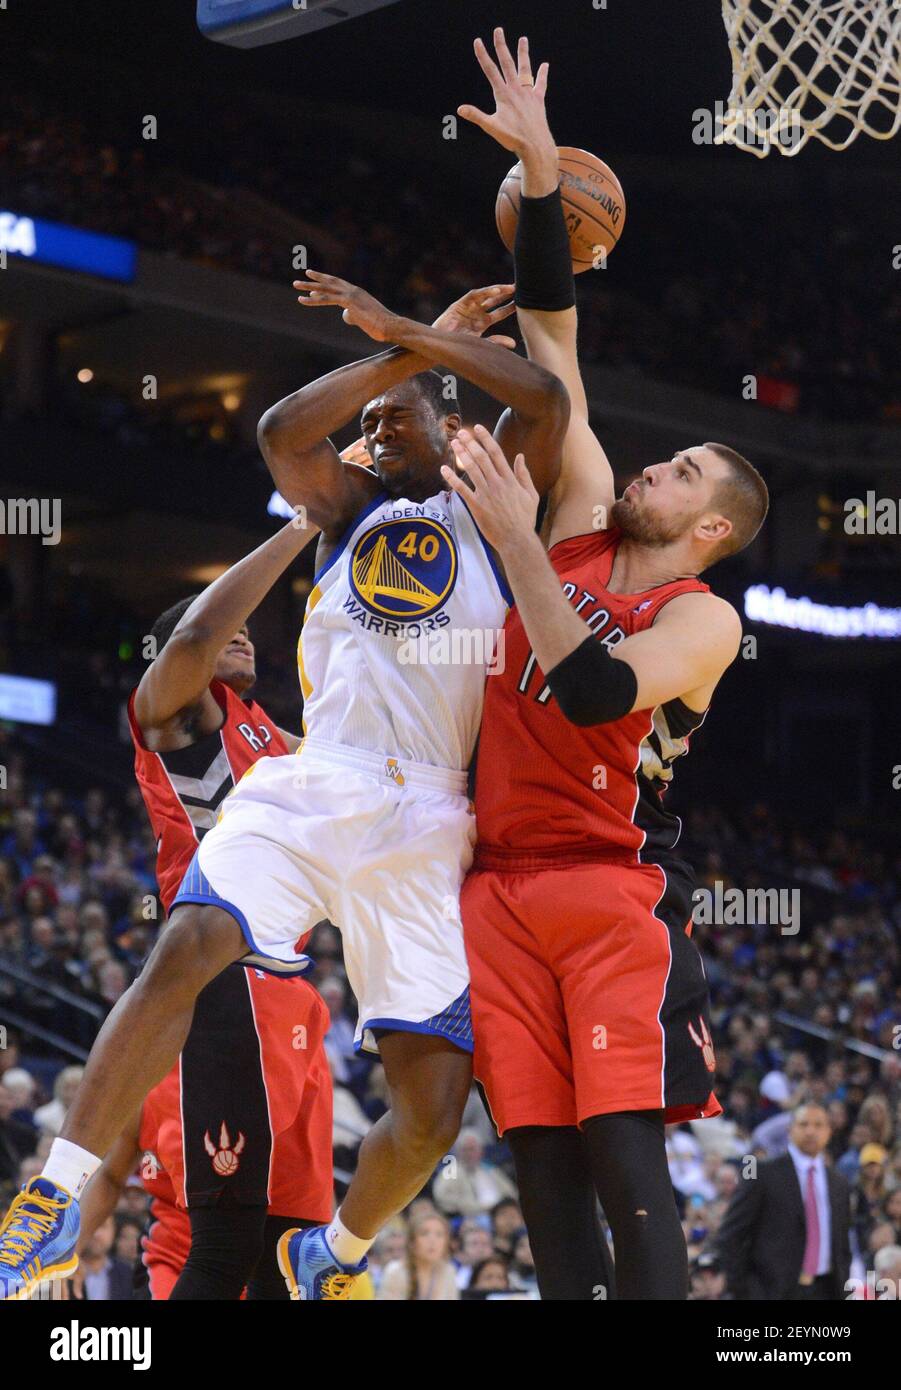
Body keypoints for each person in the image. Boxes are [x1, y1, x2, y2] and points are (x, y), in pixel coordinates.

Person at [0, 283, 568, 1302]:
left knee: (434, 1107)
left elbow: (547, 399)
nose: (379, 428)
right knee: (185, 945)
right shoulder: (345, 510)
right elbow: (279, 428)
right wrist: (396, 361)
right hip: (323, 776)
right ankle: (53, 1198)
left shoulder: (495, 505)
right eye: (371, 422)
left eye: (404, 415)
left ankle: (336, 1256)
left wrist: (419, 339)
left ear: (451, 427)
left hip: (435, 812)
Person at [452, 27, 769, 1300]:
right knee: (537, 1173)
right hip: (495, 879)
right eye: (666, 455)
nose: (649, 467)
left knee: (620, 1155)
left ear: (708, 530)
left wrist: (511, 536)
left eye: (682, 472)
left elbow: (589, 689)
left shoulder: (703, 619)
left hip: (607, 886)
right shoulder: (579, 514)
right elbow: (551, 342)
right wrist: (539, 178)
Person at [0, 515, 330, 1300]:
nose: (243, 633)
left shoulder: (264, 731)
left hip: (288, 987)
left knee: (282, 1250)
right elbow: (193, 641)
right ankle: (52, 1220)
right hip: (223, 973)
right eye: (224, 627)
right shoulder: (177, 711)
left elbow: (353, 759)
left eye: (251, 628)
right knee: (223, 1245)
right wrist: (306, 525)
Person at [716, 1103, 852, 1299]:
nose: (811, 1131)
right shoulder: (762, 1172)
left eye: (818, 1125)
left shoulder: (839, 1182)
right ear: (790, 1130)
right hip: (772, 1291)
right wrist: (743, 1289)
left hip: (826, 1289)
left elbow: (842, 1242)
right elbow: (731, 1235)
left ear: (829, 1132)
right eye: (803, 1124)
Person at [376, 1210, 459, 1300]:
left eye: (439, 1234)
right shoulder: (395, 1272)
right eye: (424, 1233)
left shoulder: (449, 1271)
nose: (432, 1241)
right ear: (412, 1242)